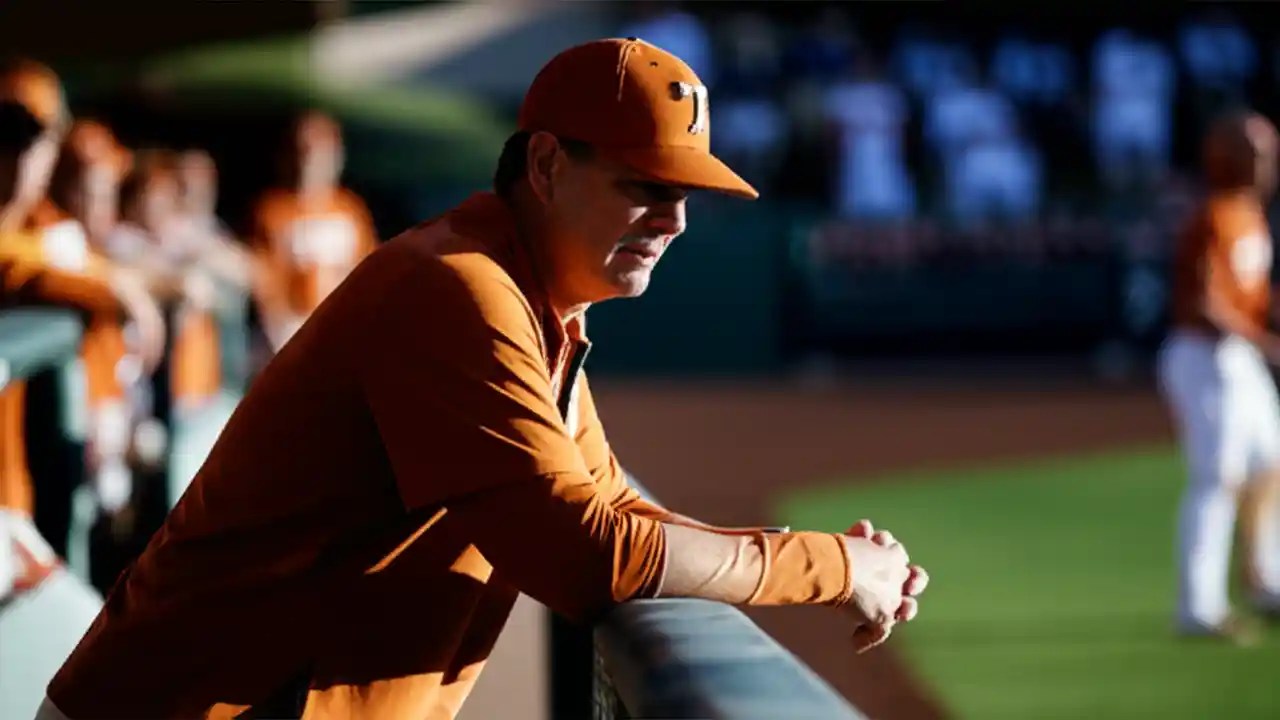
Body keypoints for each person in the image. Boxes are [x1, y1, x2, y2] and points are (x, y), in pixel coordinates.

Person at [41, 39, 929, 719]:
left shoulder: (532, 308)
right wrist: (825, 566)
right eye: (643, 186)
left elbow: (614, 509)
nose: (673, 221)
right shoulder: (457, 288)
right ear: (545, 165)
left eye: (684, 195)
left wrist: (843, 558)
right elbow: (590, 555)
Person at [1158, 109, 1280, 645]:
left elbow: (1249, 294)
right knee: (1217, 479)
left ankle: (1264, 580)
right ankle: (1198, 607)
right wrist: (1266, 342)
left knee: (1270, 465)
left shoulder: (1251, 212)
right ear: (1226, 156)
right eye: (1255, 151)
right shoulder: (1213, 215)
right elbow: (1205, 302)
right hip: (1203, 355)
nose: (1266, 162)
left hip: (1238, 356)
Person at [247, 111, 377, 355]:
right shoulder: (274, 210)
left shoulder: (350, 209)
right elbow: (266, 279)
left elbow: (368, 268)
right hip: (292, 328)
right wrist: (281, 329)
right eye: (304, 153)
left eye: (321, 154)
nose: (311, 163)